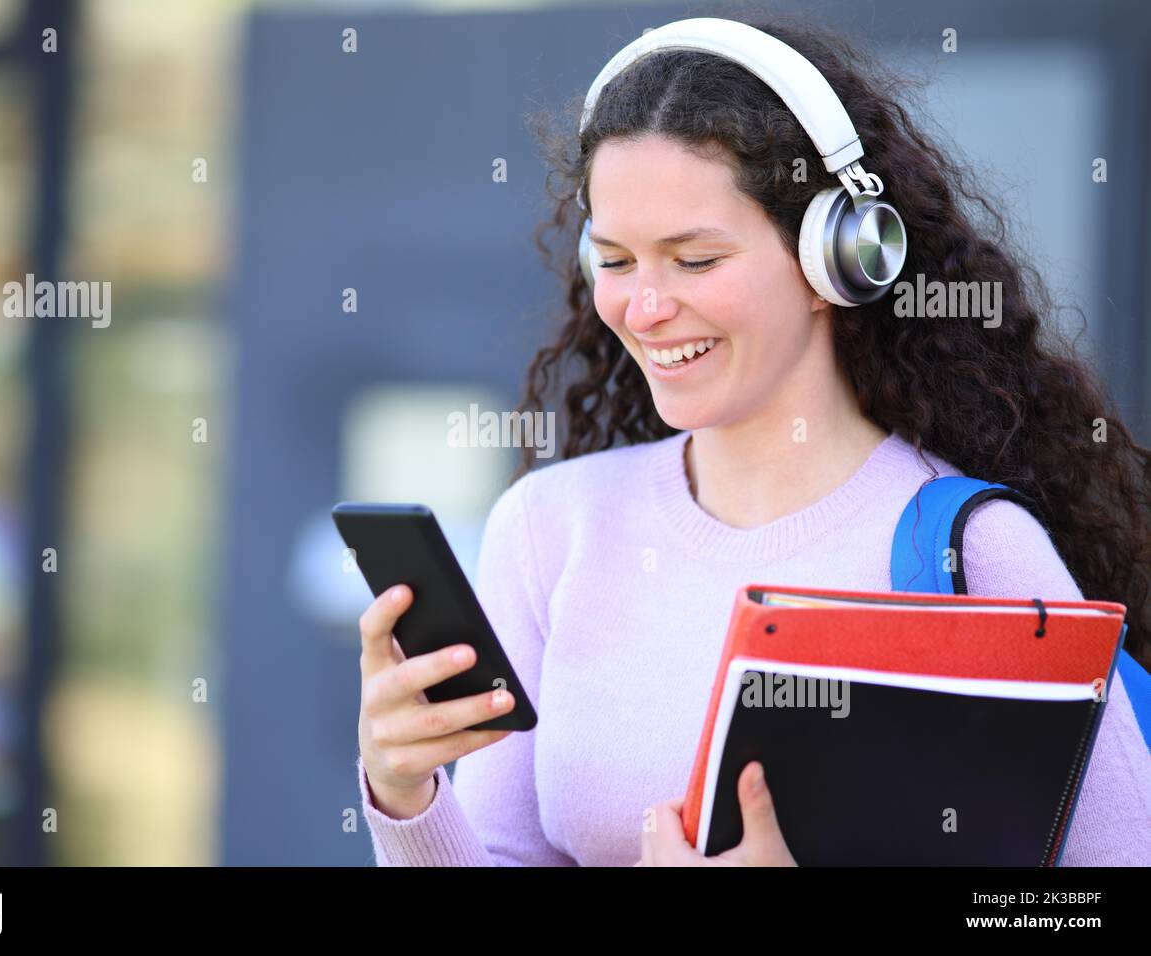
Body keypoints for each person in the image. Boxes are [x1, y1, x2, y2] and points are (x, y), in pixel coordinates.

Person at [353, 13, 1151, 866]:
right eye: (616, 260)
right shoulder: (548, 529)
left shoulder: (977, 549)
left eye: (694, 260)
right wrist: (407, 798)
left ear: (839, 259)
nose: (645, 307)